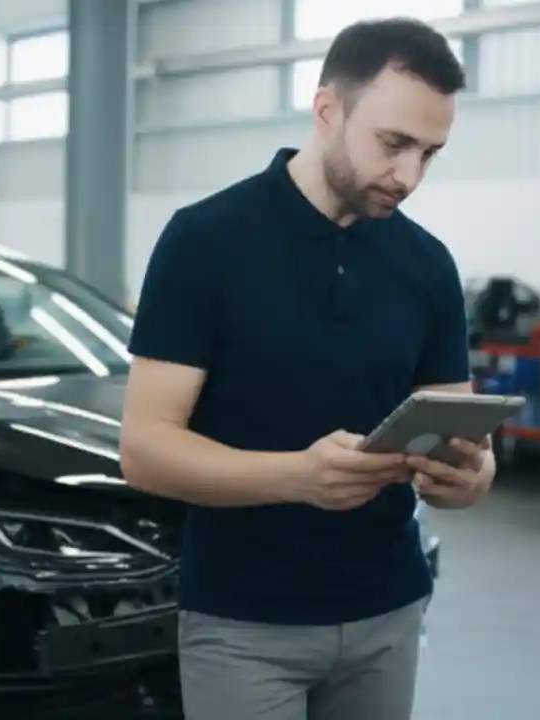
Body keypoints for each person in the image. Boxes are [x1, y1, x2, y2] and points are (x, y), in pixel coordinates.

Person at [120, 16, 496, 720]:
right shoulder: (204, 242)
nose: (409, 176)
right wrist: (296, 476)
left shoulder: (428, 266)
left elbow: (463, 440)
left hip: (389, 612)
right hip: (244, 626)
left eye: (430, 153)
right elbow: (145, 450)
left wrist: (471, 477)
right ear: (328, 109)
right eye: (393, 144)